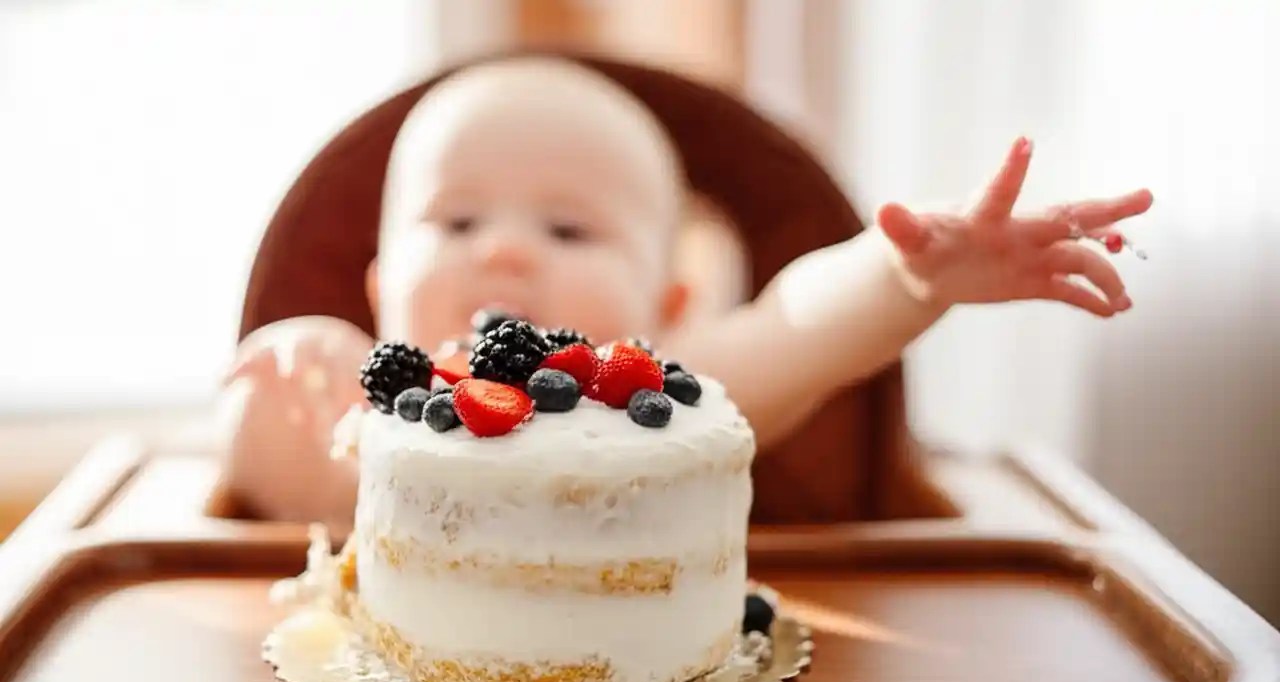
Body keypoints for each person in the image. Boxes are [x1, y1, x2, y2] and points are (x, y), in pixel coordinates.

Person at [217, 57, 1153, 526]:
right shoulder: (357, 398)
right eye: (455, 223)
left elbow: (796, 327)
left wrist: (905, 275)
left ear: (668, 309)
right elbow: (249, 474)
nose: (502, 251)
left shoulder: (650, 393)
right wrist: (301, 383)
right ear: (378, 286)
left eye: (569, 229)